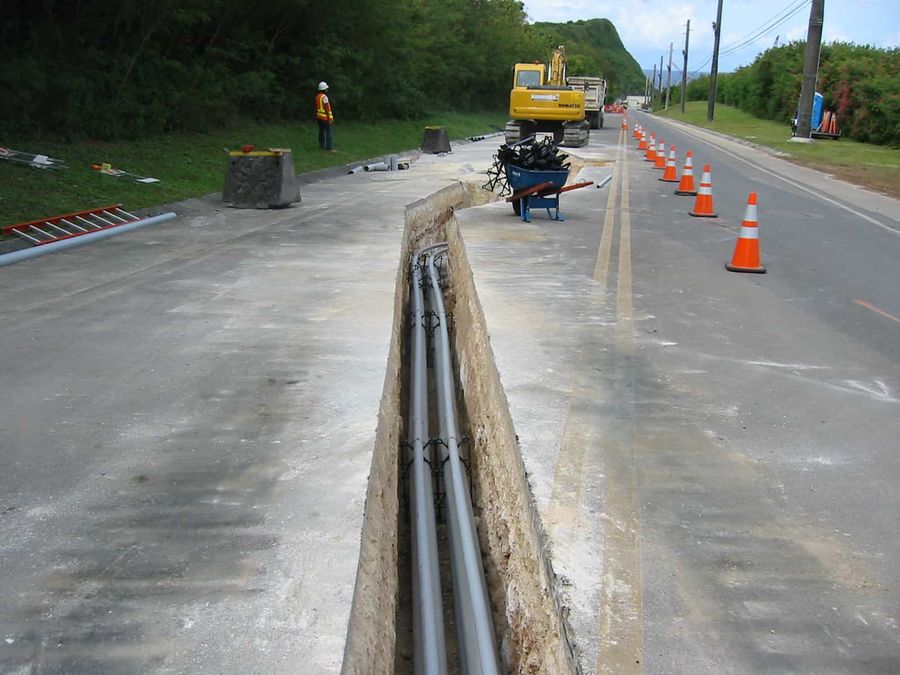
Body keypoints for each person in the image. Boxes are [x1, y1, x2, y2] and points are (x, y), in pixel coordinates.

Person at [315, 81, 335, 151]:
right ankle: (329, 148)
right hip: (325, 118)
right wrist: (329, 118)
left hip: (319, 117)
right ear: (324, 89)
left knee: (321, 132)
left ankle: (321, 146)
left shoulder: (317, 96)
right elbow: (326, 108)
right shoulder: (324, 97)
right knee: (328, 133)